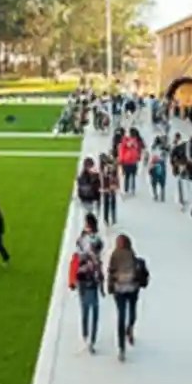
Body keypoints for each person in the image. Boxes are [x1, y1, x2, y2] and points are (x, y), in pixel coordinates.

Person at [108, 234, 144, 362]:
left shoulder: (130, 254)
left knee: (131, 314)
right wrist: (111, 286)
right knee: (122, 316)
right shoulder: (116, 255)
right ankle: (121, 347)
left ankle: (129, 329)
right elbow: (111, 271)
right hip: (122, 290)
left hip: (130, 289)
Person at [72, 238, 104, 354]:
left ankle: (86, 335)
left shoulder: (84, 257)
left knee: (85, 311)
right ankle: (90, 339)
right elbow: (98, 275)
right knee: (93, 313)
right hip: (90, 288)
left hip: (84, 288)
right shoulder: (92, 260)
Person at [100, 155, 120, 229]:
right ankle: (106, 219)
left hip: (112, 189)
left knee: (113, 204)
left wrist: (116, 186)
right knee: (106, 204)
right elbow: (103, 180)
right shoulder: (105, 171)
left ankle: (113, 218)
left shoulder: (114, 171)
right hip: (107, 189)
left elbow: (116, 179)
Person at [118, 132, 141, 196]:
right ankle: (127, 189)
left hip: (131, 163)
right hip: (128, 163)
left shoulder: (133, 144)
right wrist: (121, 161)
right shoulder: (125, 145)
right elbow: (121, 153)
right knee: (128, 177)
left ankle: (131, 189)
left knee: (131, 177)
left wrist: (138, 157)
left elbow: (136, 152)